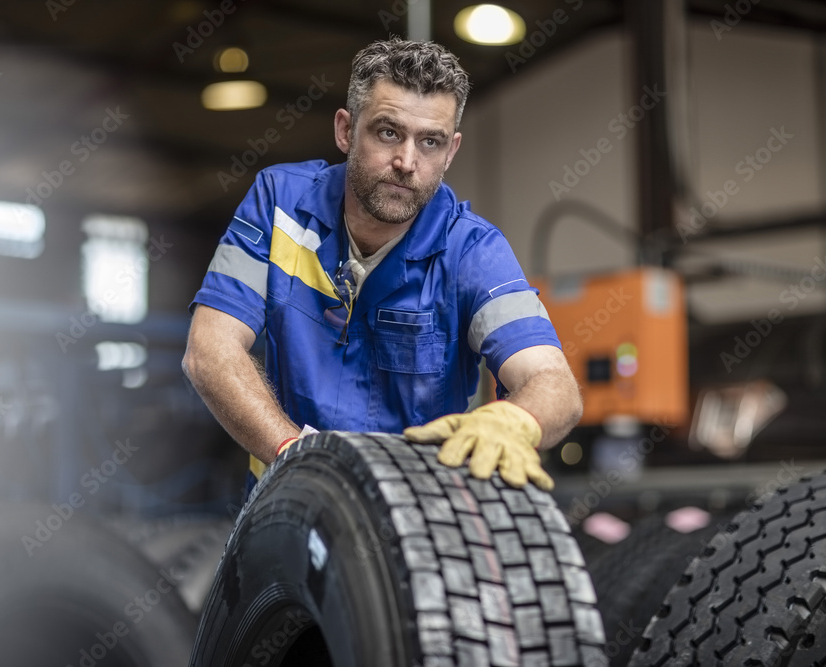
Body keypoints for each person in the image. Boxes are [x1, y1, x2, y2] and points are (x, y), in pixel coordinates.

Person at [183, 37, 582, 502]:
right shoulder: (280, 208)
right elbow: (209, 349)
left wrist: (515, 419)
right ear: (346, 131)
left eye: (430, 142)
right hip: (286, 504)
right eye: (388, 132)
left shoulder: (472, 250)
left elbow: (555, 386)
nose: (406, 163)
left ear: (450, 152)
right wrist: (295, 456)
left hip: (424, 524)